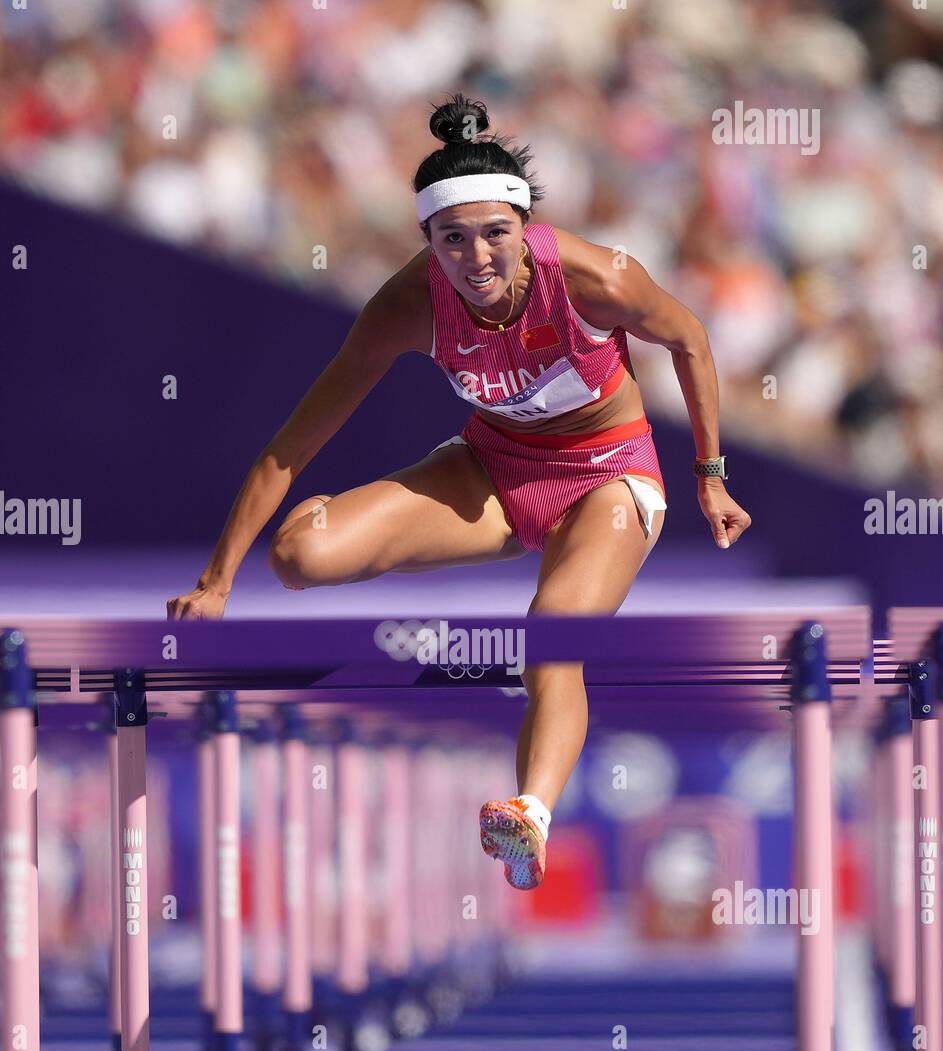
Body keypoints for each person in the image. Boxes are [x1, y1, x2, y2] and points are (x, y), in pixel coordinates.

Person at [167, 94, 751, 890]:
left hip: (608, 474)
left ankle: (528, 817)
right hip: (492, 467)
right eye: (452, 241)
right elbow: (292, 444)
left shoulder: (592, 276)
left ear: (523, 227)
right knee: (299, 558)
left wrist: (709, 477)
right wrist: (215, 581)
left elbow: (689, 337)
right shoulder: (405, 307)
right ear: (426, 242)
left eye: (494, 235)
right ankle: (316, 534)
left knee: (551, 634)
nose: (476, 259)